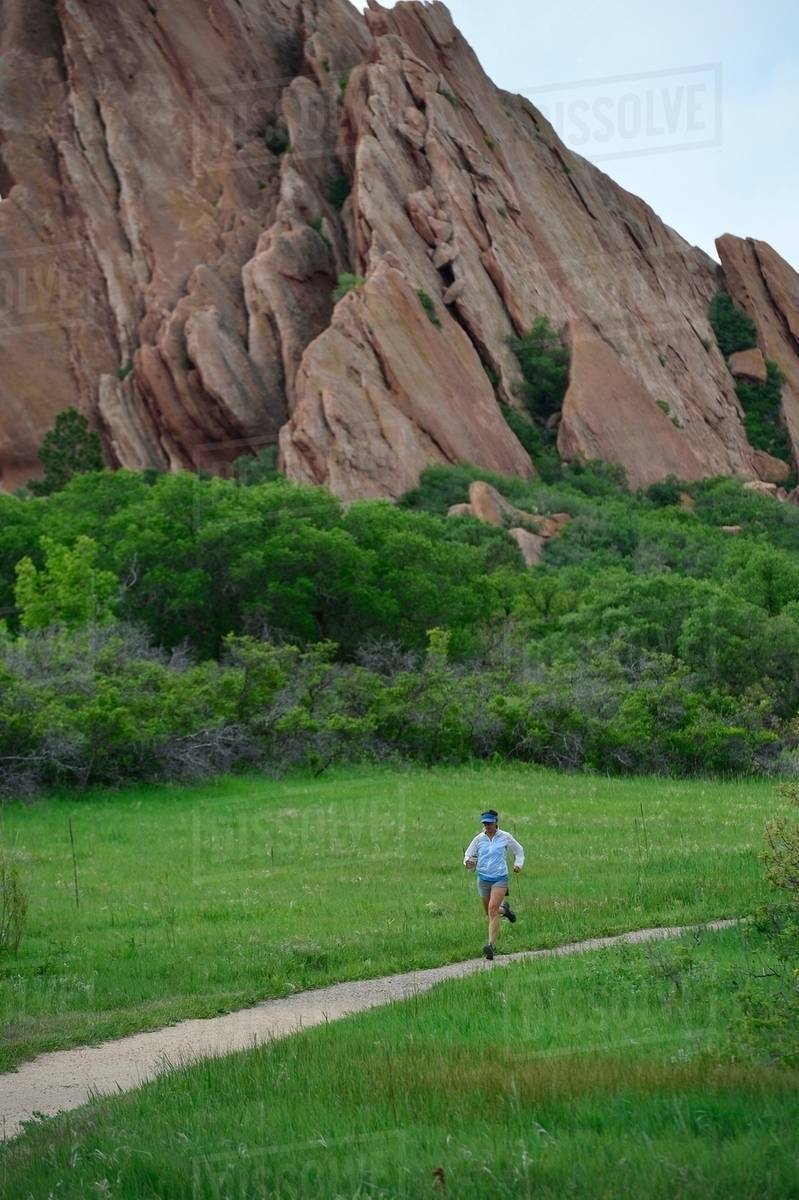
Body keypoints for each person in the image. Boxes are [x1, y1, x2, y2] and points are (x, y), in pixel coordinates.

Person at [464, 809, 524, 960]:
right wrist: (468, 862)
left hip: (500, 878)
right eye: (485, 823)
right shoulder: (479, 839)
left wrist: (518, 864)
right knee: (490, 912)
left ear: (496, 822)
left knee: (492, 910)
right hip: (483, 878)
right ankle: (506, 911)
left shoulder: (505, 837)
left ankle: (490, 946)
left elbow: (519, 851)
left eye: (490, 823)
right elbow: (468, 855)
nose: (487, 826)